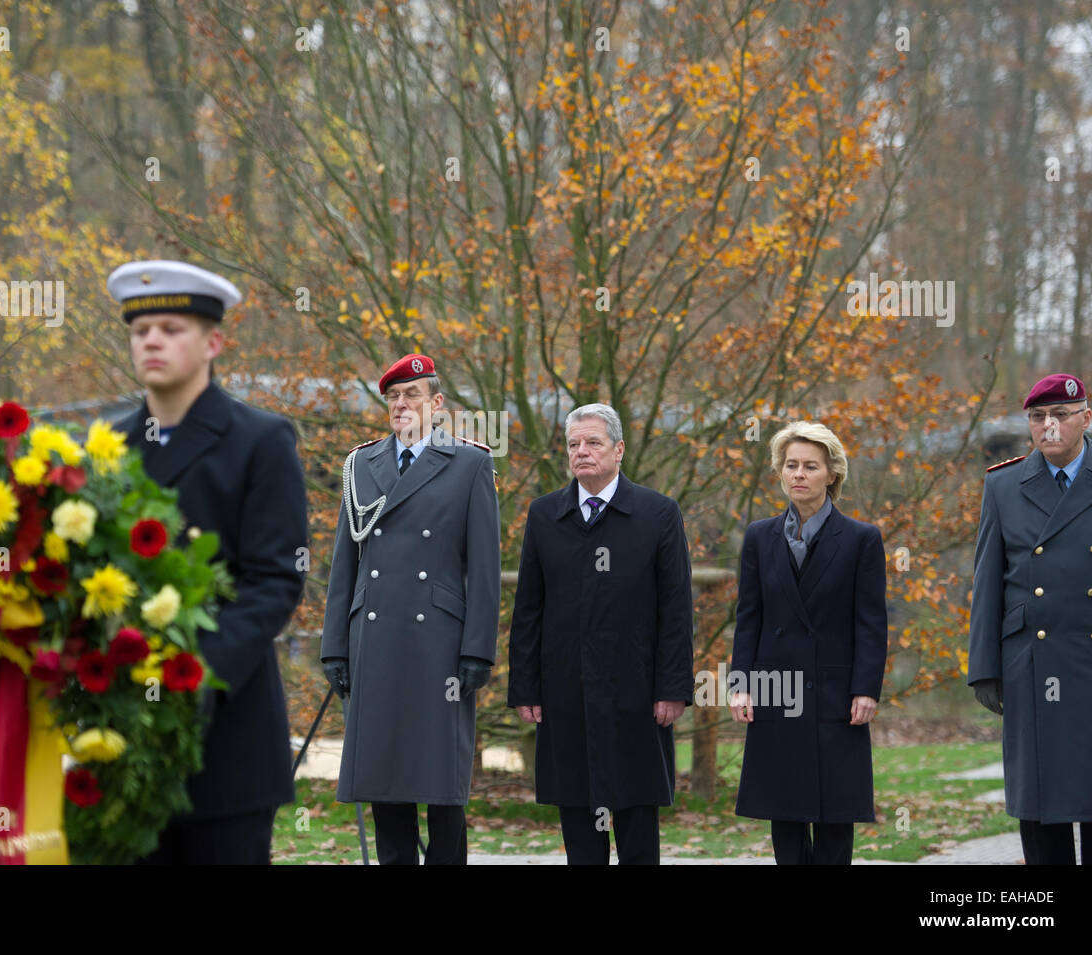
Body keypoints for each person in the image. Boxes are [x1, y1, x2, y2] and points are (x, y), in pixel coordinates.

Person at [108, 260, 308, 864]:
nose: (152, 340)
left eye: (171, 327)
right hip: (124, 733)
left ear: (213, 343)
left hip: (227, 736)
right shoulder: (109, 448)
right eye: (140, 329)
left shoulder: (260, 439)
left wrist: (191, 672)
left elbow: (274, 580)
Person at [320, 353, 500, 865]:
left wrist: (478, 652)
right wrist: (335, 646)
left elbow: (485, 568)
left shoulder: (469, 463)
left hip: (439, 645)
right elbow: (343, 564)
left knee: (443, 788)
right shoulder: (362, 464)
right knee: (385, 784)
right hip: (373, 639)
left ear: (436, 403)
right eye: (394, 397)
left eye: (412, 395)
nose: (401, 405)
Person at [506, 403, 694, 865]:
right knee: (577, 817)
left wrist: (672, 688)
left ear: (619, 449)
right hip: (565, 689)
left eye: (593, 442)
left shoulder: (658, 513)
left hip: (637, 689)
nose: (582, 452)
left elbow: (676, 610)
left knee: (636, 820)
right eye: (573, 444)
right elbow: (528, 608)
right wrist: (525, 686)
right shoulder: (545, 514)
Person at [728, 421, 887, 865]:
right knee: (786, 812)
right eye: (790, 465)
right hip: (776, 689)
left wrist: (866, 688)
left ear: (831, 474)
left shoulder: (861, 539)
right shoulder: (760, 536)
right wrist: (739, 684)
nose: (798, 474)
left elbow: (871, 622)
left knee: (836, 815)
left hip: (836, 694)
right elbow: (749, 616)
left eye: (810, 466)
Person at [968, 373, 1092, 865]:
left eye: (1061, 416)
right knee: (1041, 808)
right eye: (1038, 417)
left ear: (1085, 419)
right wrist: (984, 667)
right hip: (1032, 663)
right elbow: (987, 584)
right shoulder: (1005, 485)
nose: (1049, 427)